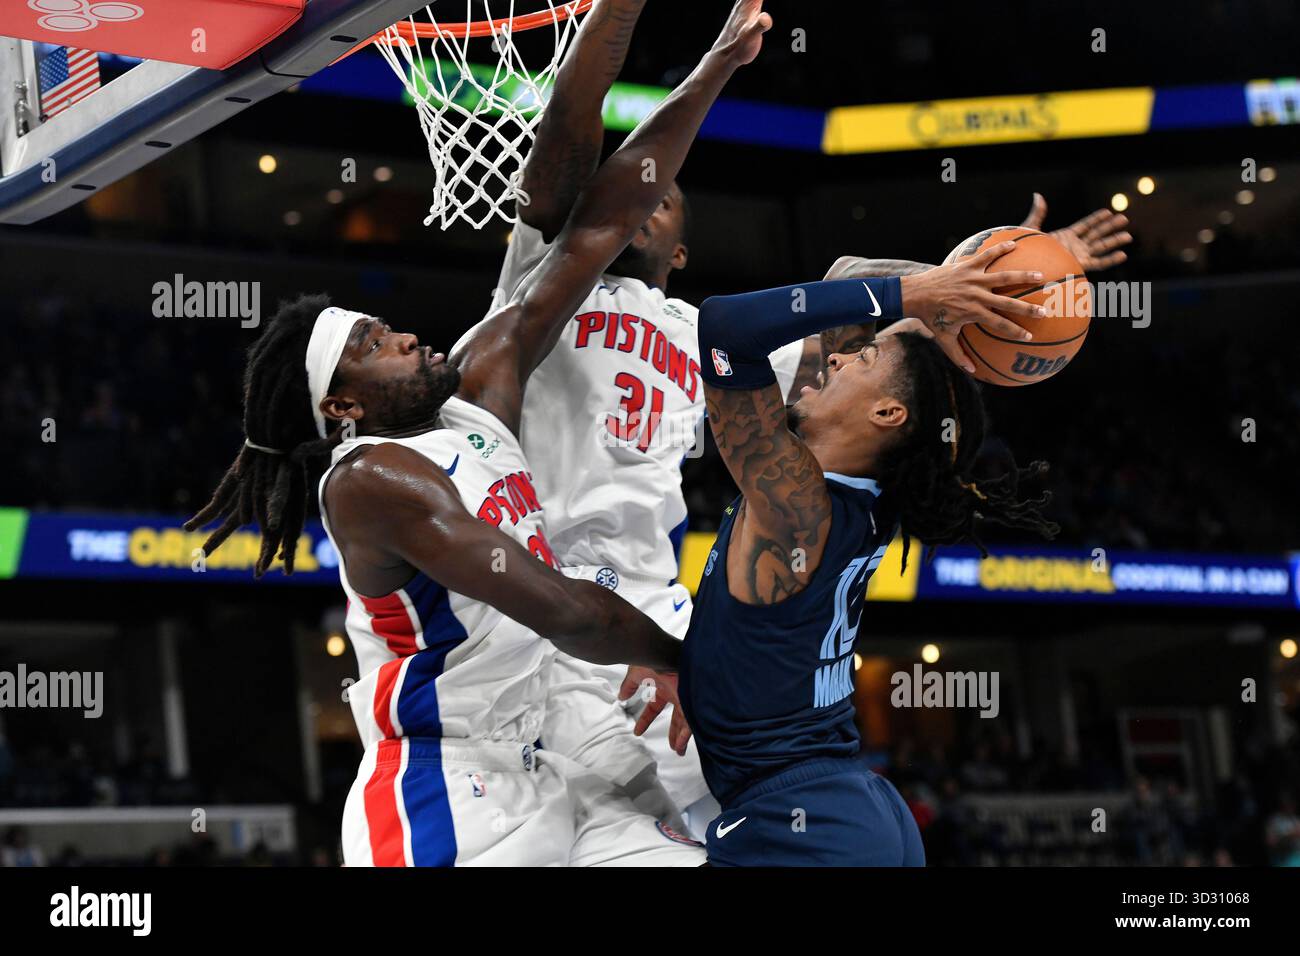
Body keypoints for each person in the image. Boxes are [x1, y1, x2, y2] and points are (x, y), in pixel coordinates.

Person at [184, 0, 772, 866]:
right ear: (340, 407)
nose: (403, 337)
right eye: (372, 349)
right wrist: (689, 662)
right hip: (441, 785)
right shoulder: (371, 481)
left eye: (383, 325)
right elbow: (564, 607)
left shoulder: (483, 383)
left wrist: (715, 63)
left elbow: (601, 218)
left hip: (543, 757)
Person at [481, 0, 802, 838]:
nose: (641, 199)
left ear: (682, 252)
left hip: (665, 632)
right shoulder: (541, 280)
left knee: (767, 826)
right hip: (550, 622)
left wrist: (973, 282)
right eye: (627, 192)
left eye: (662, 203)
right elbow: (572, 114)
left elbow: (848, 324)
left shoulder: (707, 333)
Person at [675, 243, 1060, 865]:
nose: (838, 356)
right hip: (842, 812)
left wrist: (916, 298)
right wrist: (963, 287)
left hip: (811, 822)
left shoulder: (797, 502)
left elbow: (724, 327)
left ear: (888, 411)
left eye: (864, 355)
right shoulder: (859, 493)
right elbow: (844, 278)